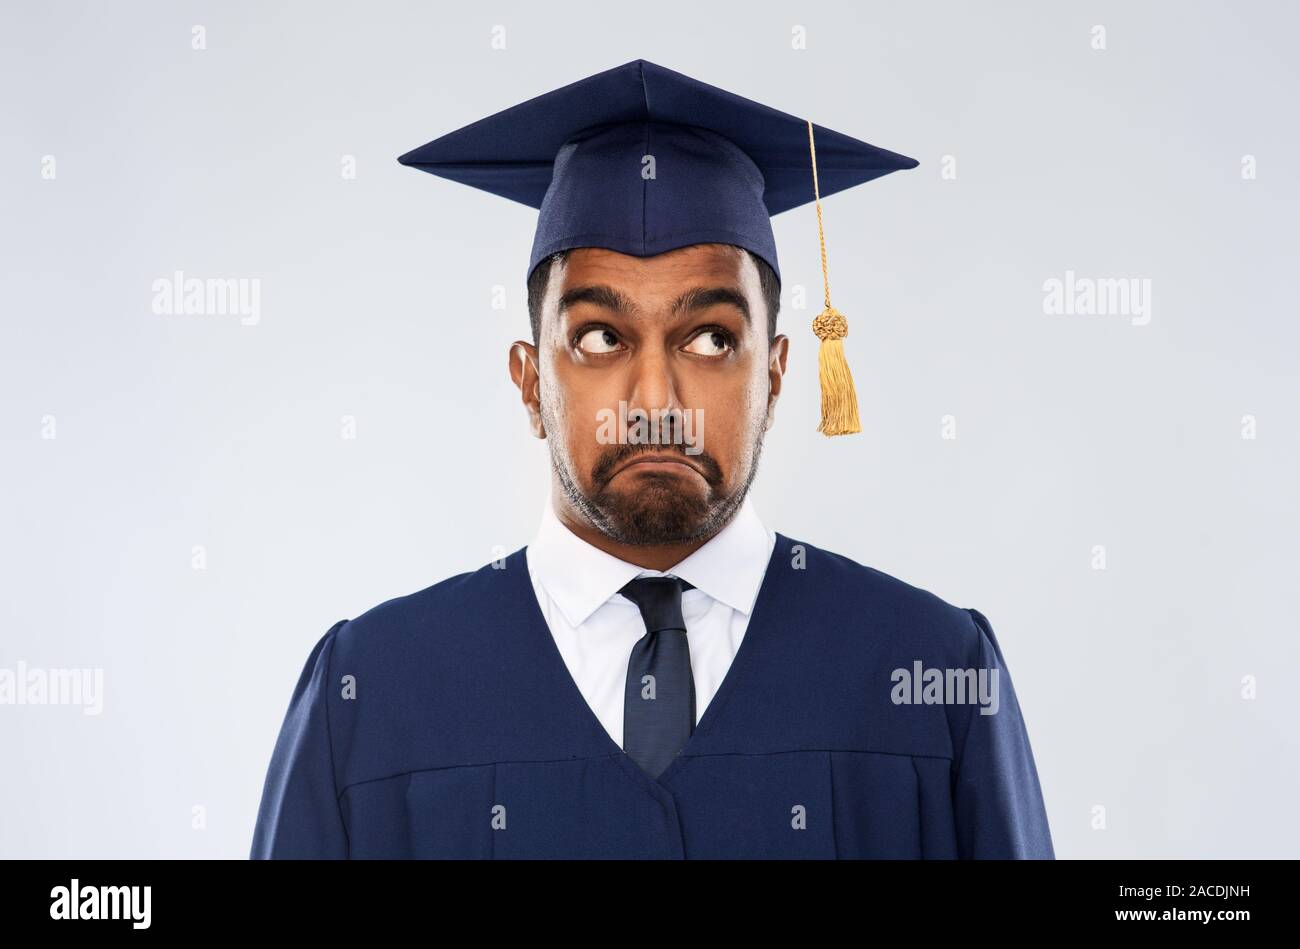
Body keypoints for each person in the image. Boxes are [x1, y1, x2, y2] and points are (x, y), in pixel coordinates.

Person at [250, 59, 1054, 859]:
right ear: (530, 382)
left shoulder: (931, 674)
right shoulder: (372, 693)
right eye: (601, 336)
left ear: (775, 377)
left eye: (711, 339)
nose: (656, 401)